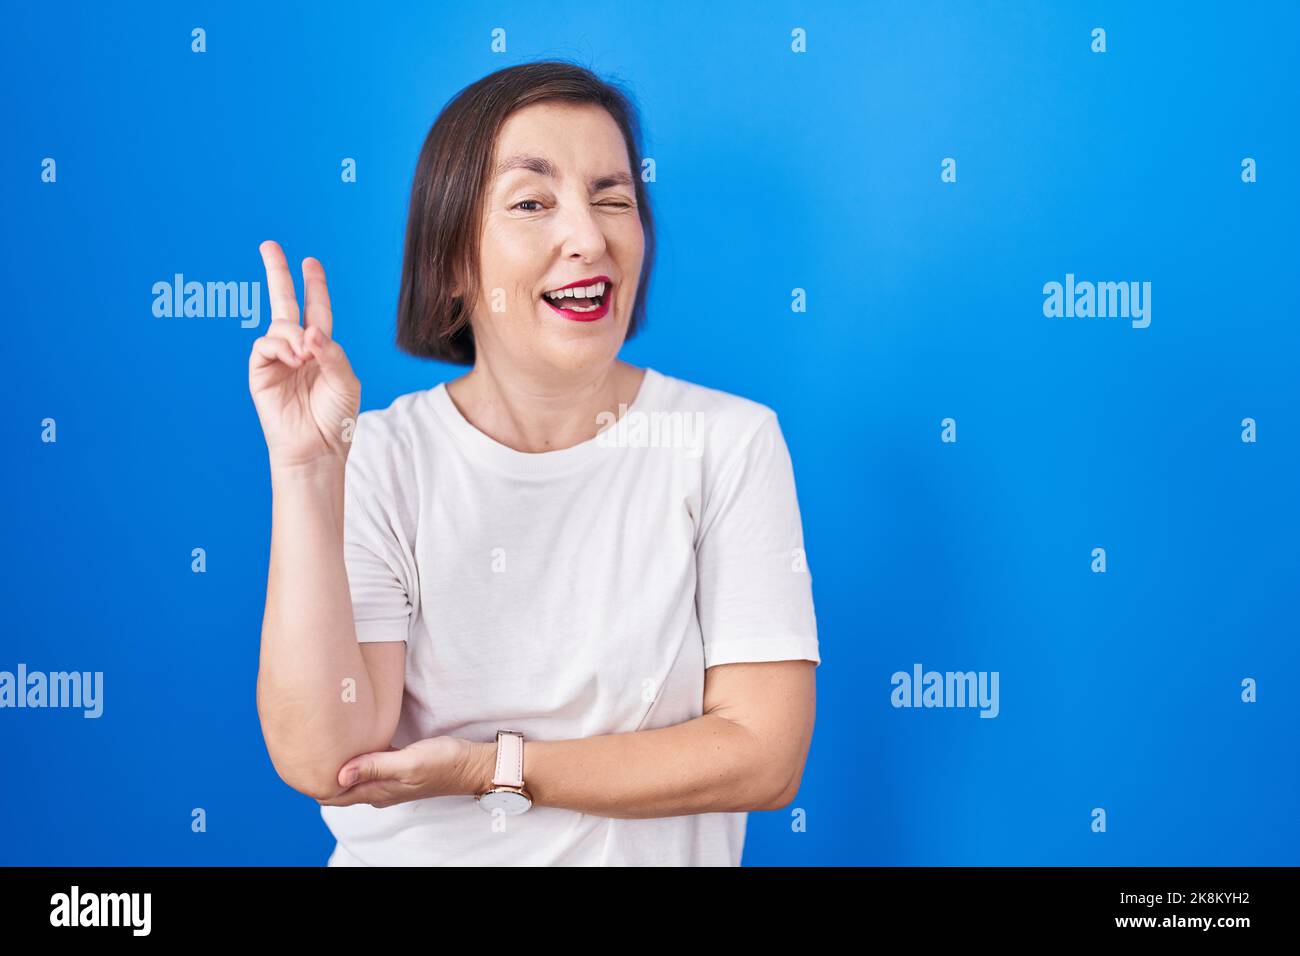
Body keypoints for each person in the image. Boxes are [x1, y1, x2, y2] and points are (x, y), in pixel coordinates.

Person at [248, 60, 820, 866]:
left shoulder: (726, 442)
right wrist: (307, 470)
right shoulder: (380, 456)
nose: (589, 237)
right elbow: (324, 757)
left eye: (613, 197)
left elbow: (764, 752)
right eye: (532, 202)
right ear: (452, 263)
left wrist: (495, 769)